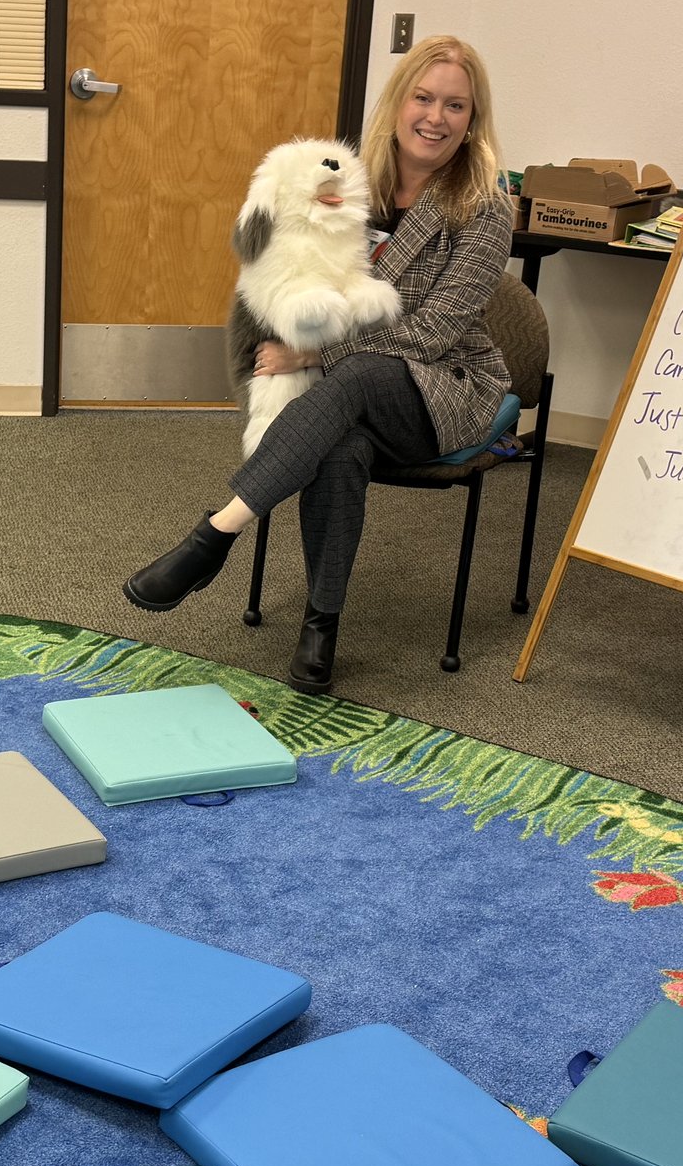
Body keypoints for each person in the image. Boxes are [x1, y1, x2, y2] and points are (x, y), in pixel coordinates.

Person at [121, 34, 514, 695]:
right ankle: (321, 627)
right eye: (423, 97)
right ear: (398, 101)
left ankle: (214, 535)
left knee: (357, 377)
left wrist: (318, 352)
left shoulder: (486, 204)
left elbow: (433, 333)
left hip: (444, 388)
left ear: (473, 120)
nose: (435, 117)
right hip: (346, 396)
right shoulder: (347, 183)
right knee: (340, 447)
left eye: (455, 106)